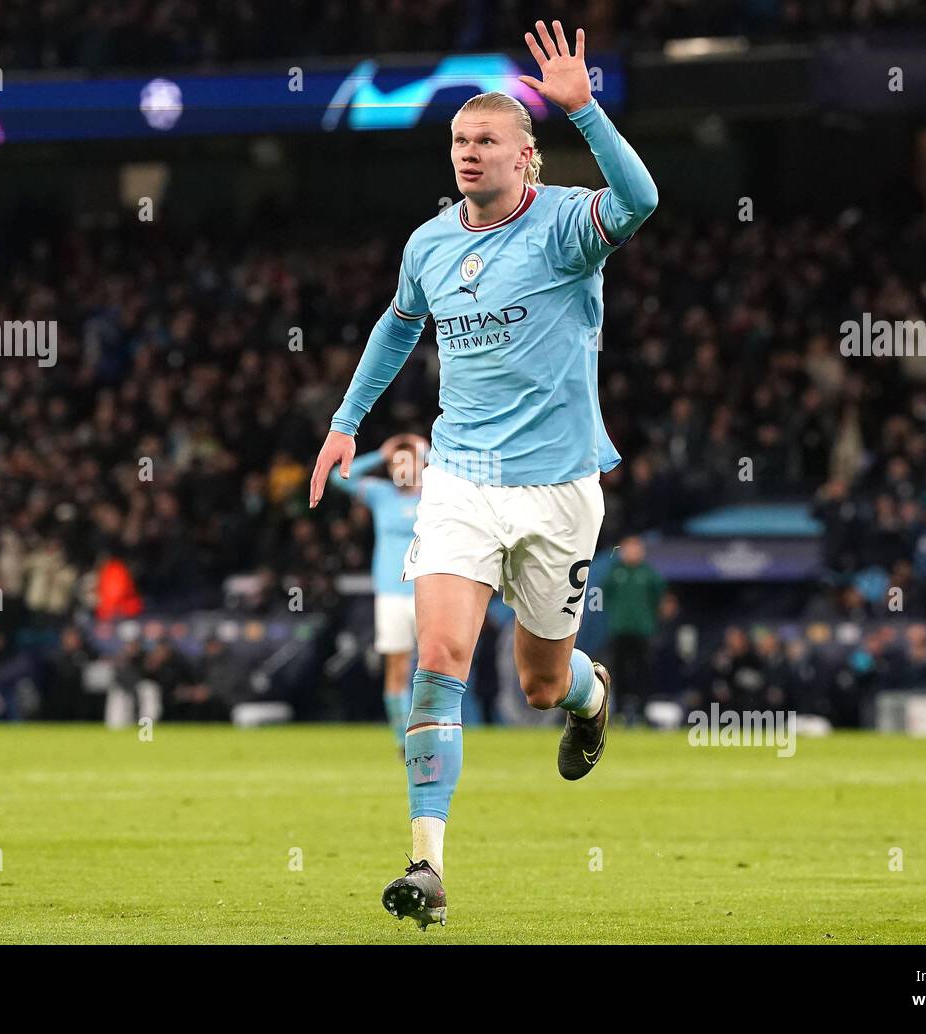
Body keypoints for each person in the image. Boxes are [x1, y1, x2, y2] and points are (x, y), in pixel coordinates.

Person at [309, 19, 657, 929]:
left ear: (526, 155)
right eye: (461, 141)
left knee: (541, 684)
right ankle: (426, 864)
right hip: (460, 476)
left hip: (558, 487)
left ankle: (590, 694)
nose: (469, 153)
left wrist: (589, 112)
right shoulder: (428, 243)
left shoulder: (568, 227)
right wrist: (346, 424)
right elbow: (397, 325)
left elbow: (643, 198)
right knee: (438, 660)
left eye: (487, 140)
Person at [327, 433, 427, 752]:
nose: (400, 467)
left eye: (406, 460)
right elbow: (337, 477)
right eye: (395, 462)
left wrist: (423, 451)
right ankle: (403, 739)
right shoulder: (381, 494)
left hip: (427, 591)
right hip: (391, 593)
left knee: (432, 668)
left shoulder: (436, 495)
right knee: (397, 667)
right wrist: (379, 453)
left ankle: (430, 732)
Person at [602, 535, 667, 723]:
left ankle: (642, 712)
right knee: (618, 672)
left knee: (643, 672)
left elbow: (659, 598)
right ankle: (619, 712)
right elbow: (607, 597)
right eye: (628, 548)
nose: (632, 552)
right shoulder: (615, 573)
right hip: (620, 630)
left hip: (642, 630)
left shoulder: (648, 573)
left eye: (635, 548)